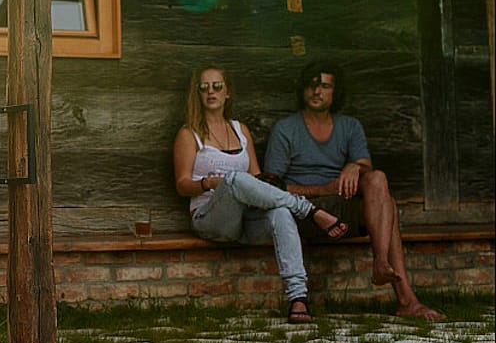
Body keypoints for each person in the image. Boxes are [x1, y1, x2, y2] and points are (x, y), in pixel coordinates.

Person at [263, 61, 444, 321]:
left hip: (341, 209)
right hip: (304, 212)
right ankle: (406, 300)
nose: (317, 92)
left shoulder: (349, 126)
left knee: (378, 180)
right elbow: (271, 187)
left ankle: (381, 263)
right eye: (312, 86)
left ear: (335, 92)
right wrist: (322, 189)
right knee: (389, 206)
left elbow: (368, 172)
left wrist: (355, 166)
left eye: (325, 86)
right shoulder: (286, 129)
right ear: (303, 90)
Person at [173, 65, 348, 323]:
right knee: (234, 179)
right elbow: (182, 184)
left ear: (227, 92)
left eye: (217, 86)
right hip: (210, 218)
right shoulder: (189, 134)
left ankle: (298, 298)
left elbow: (257, 179)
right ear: (197, 93)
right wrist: (209, 183)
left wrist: (248, 187)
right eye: (204, 87)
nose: (211, 92)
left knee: (280, 211)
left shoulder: (240, 130)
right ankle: (308, 209)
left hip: (244, 220)